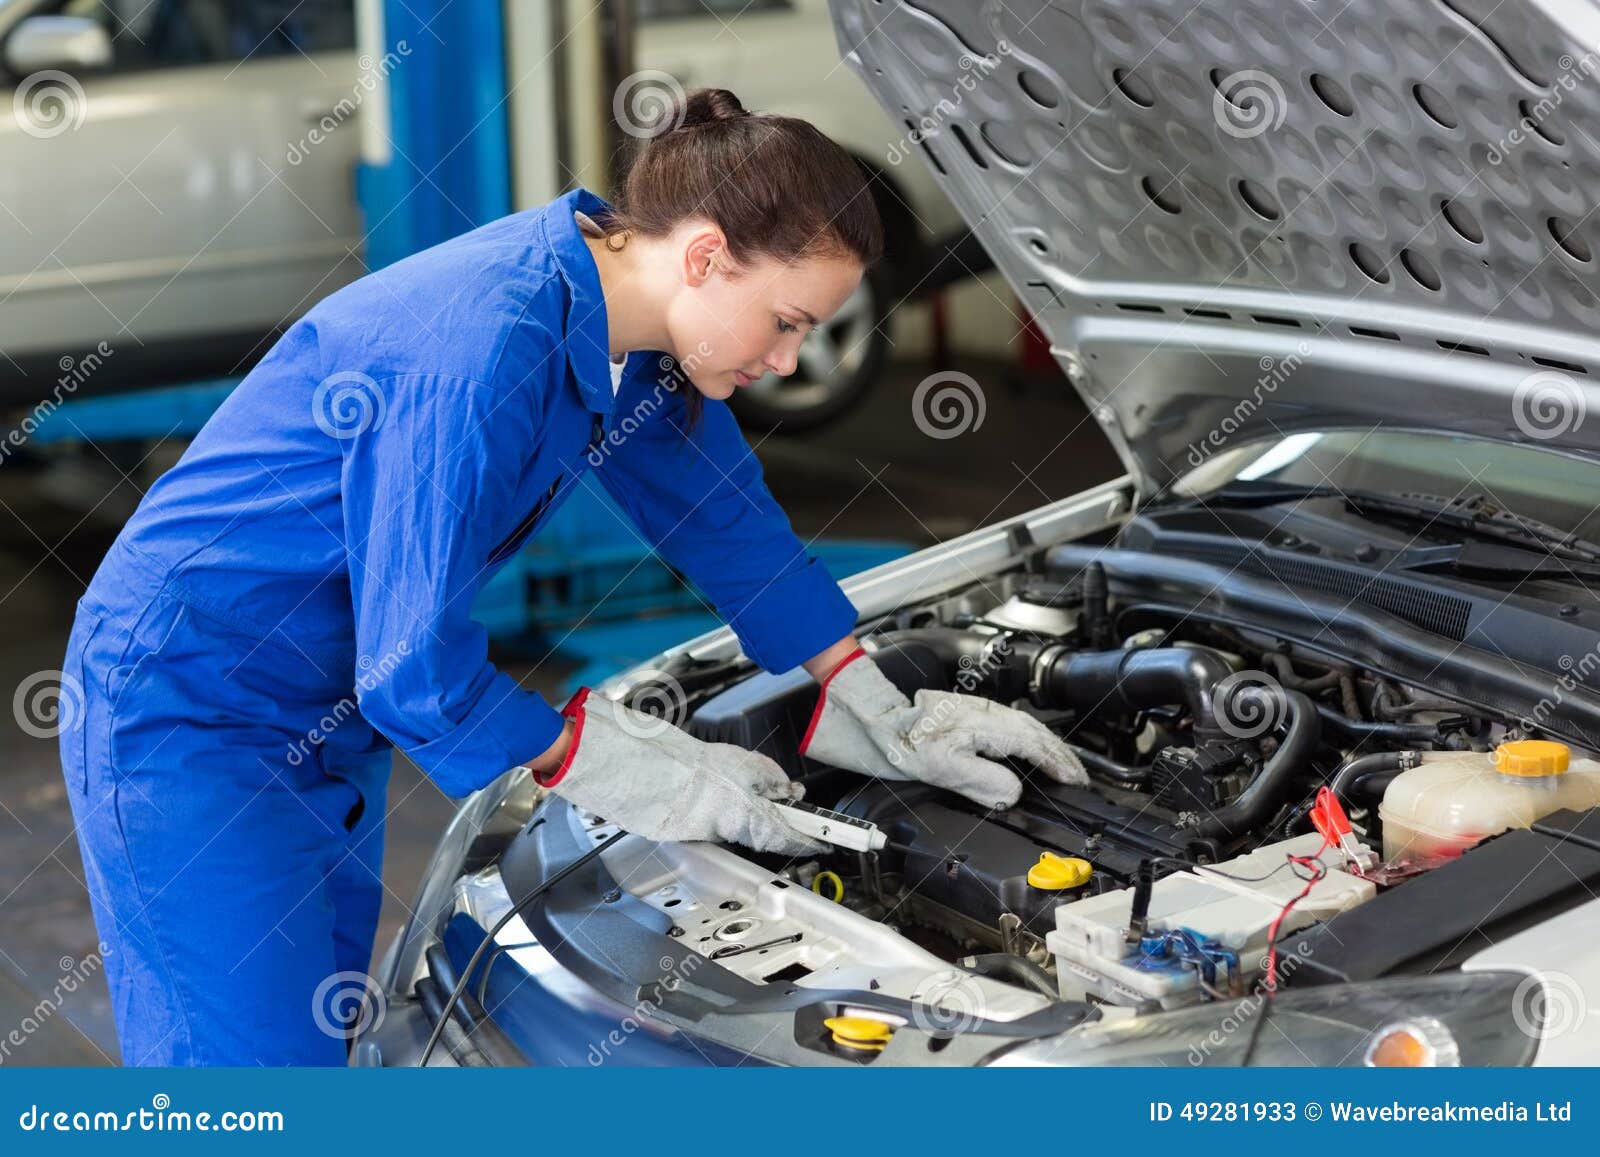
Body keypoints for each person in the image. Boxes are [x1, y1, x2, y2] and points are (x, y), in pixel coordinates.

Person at [58, 88, 1087, 1066]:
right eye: (786, 322)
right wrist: (602, 758)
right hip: (191, 706)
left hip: (317, 709)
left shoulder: (617, 326)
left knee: (315, 1032)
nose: (789, 359)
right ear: (706, 256)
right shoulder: (485, 343)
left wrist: (863, 690)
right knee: (241, 1071)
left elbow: (721, 512)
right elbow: (413, 667)